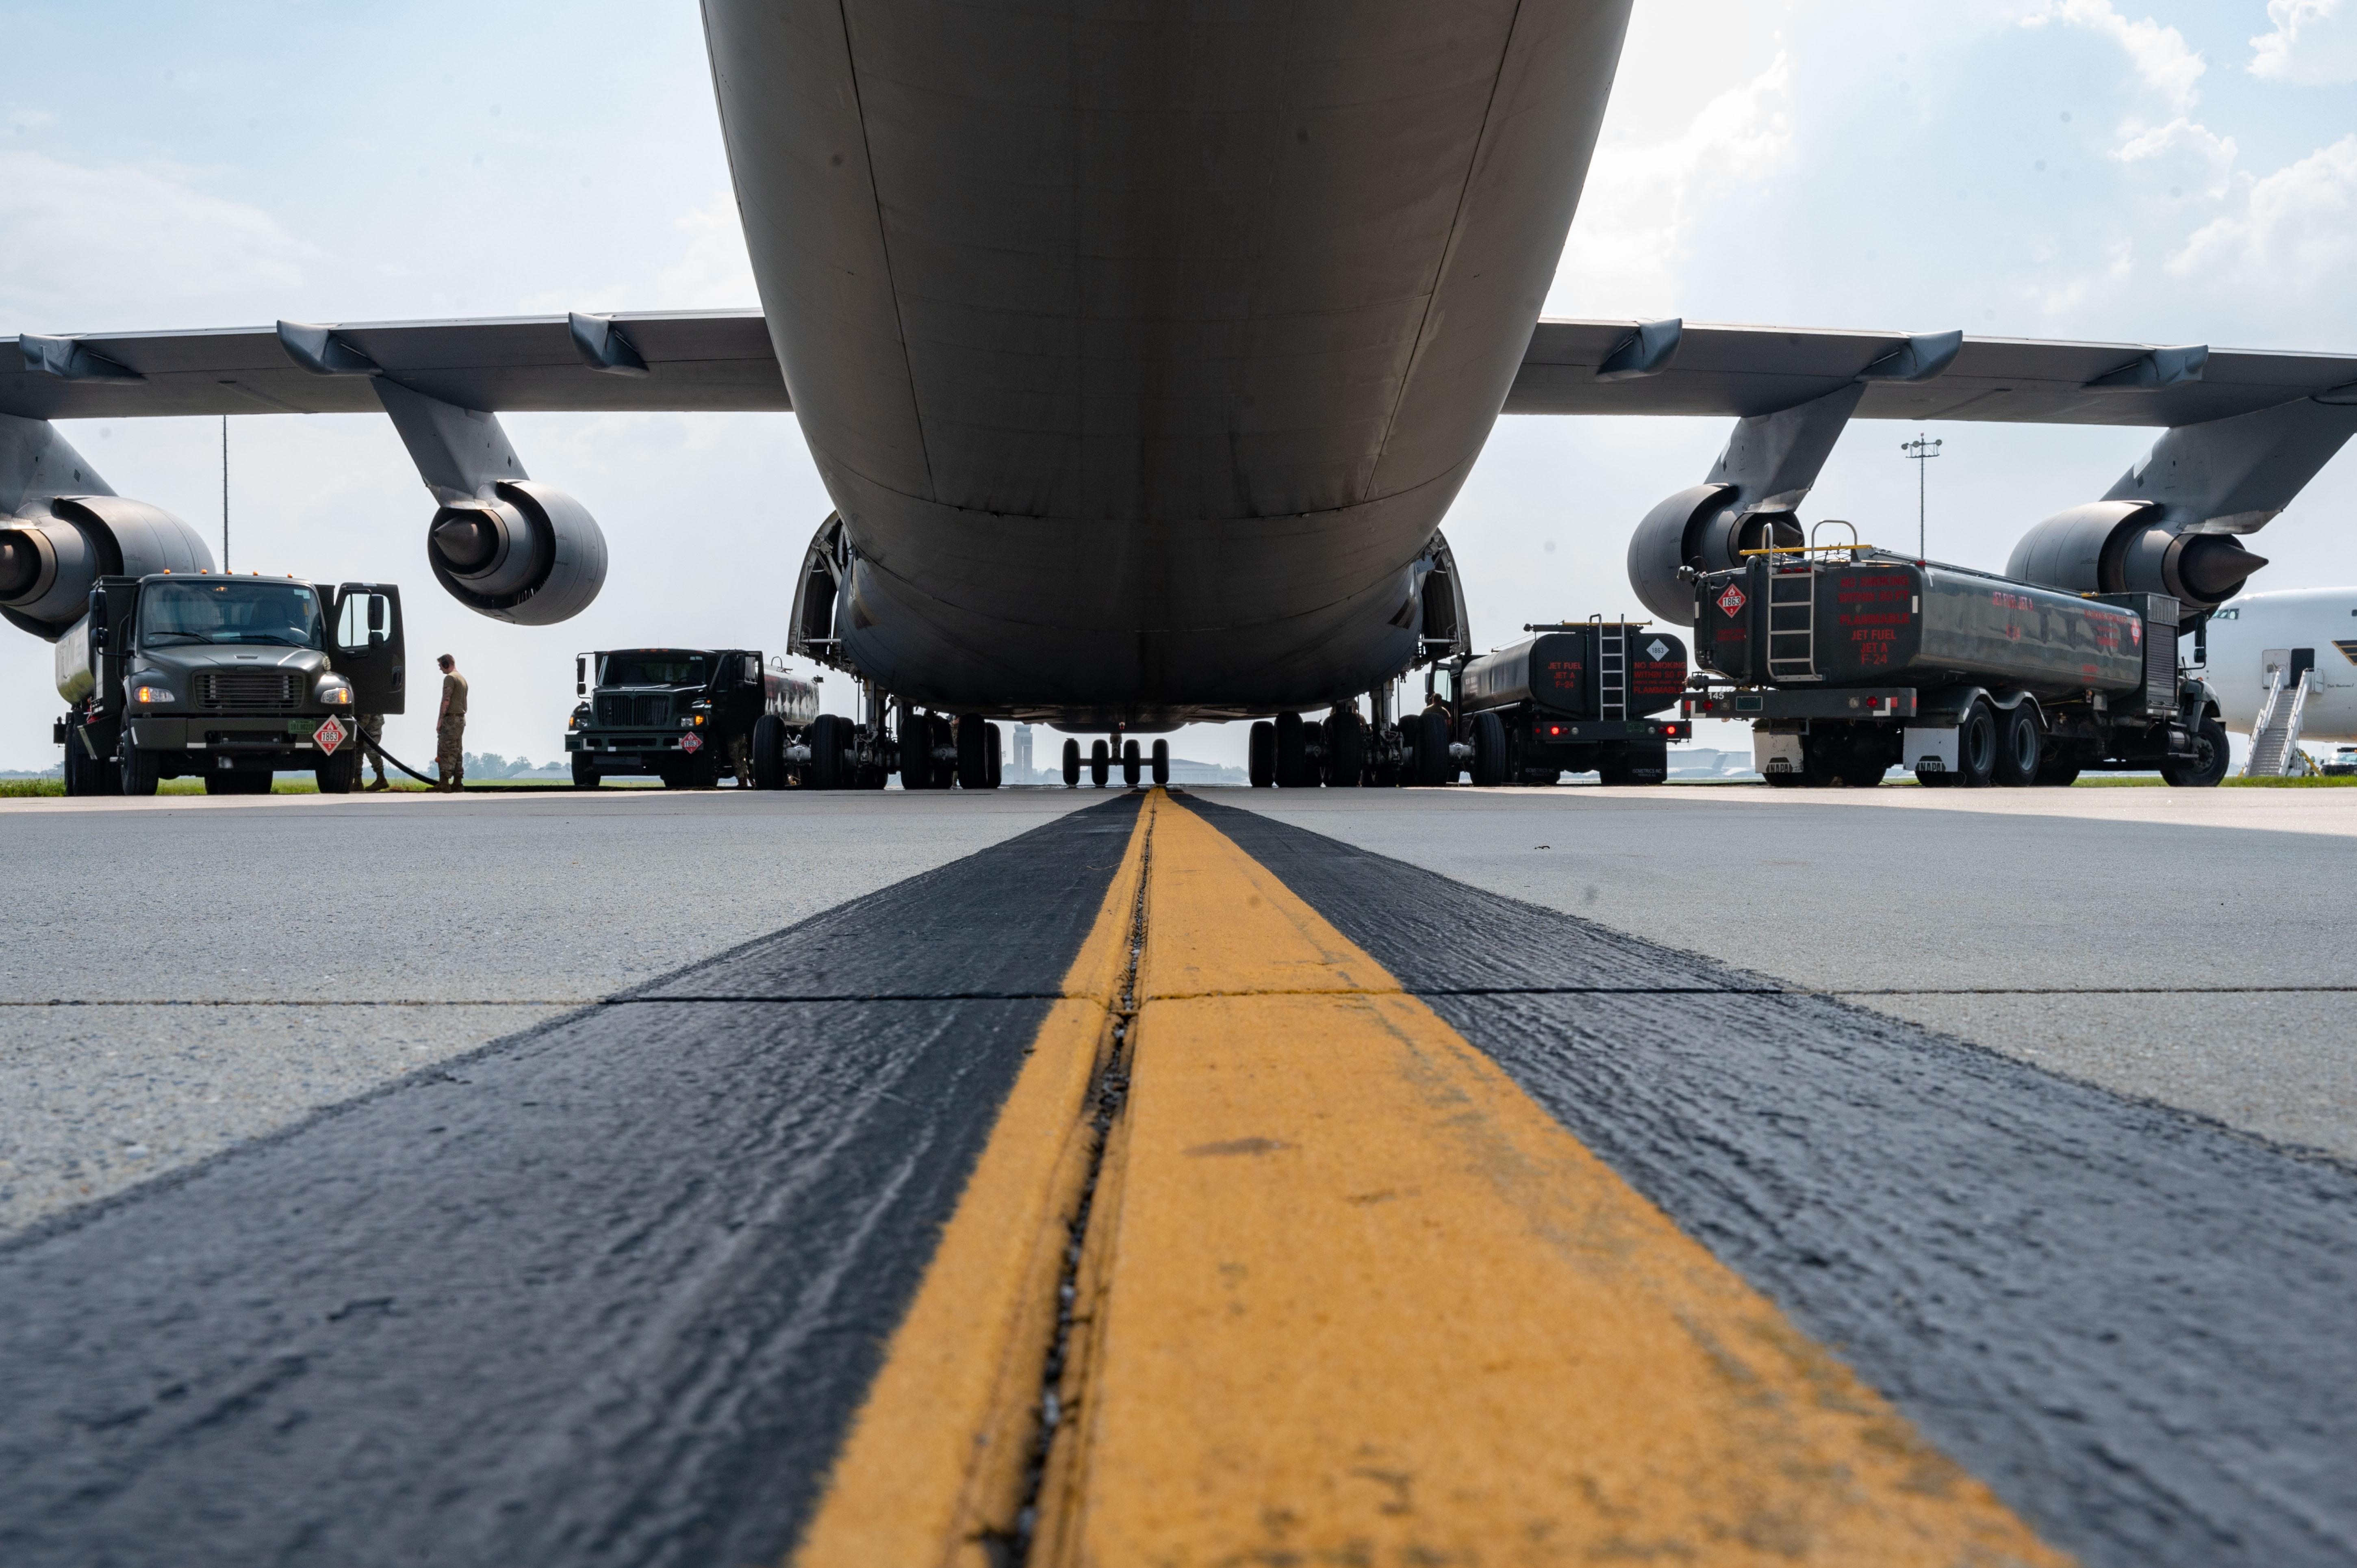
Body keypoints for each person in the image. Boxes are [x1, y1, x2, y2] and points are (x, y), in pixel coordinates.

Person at [434, 654, 468, 792]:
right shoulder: (461, 678)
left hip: (451, 719)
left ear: (446, 664)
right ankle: (458, 783)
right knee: (457, 751)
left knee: (445, 750)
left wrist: (440, 721)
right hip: (460, 719)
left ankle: (444, 783)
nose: (440, 669)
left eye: (441, 666)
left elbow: (446, 700)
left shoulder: (450, 678)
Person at [358, 710, 388, 790]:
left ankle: (381, 779)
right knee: (357, 750)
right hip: (360, 723)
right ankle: (358, 782)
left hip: (373, 725)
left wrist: (354, 731)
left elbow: (366, 717)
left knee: (370, 748)